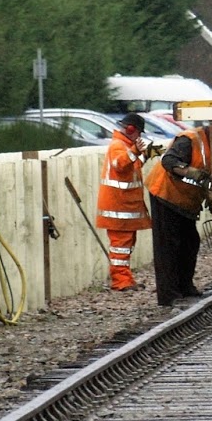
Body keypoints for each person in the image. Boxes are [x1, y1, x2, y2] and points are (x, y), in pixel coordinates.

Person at [145, 118, 212, 307]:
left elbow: (205, 175)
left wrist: (209, 196)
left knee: (190, 242)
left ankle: (185, 287)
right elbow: (168, 160)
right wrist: (189, 171)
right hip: (165, 194)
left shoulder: (211, 148)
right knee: (168, 246)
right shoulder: (189, 140)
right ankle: (169, 295)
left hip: (185, 202)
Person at [94, 113, 151, 291]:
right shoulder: (118, 146)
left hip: (124, 207)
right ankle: (121, 281)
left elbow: (132, 166)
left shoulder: (125, 146)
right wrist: (135, 151)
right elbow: (120, 164)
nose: (140, 137)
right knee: (120, 247)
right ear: (131, 129)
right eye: (139, 133)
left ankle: (125, 278)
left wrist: (145, 155)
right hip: (118, 207)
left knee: (125, 246)